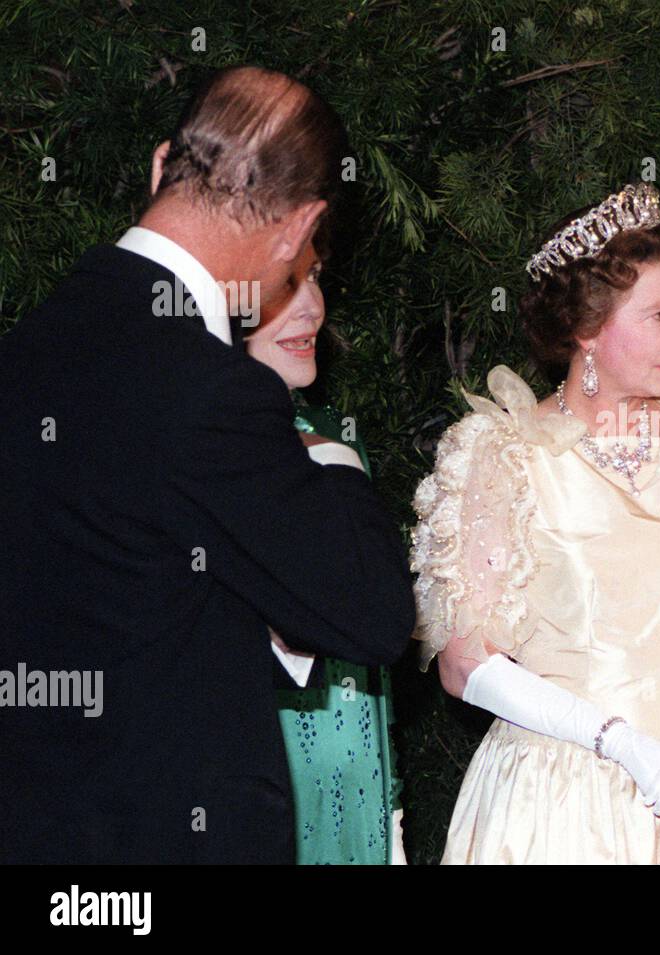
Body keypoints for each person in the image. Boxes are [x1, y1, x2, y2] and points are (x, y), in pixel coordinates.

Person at [0, 66, 415, 864]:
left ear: (161, 165)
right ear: (300, 228)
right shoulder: (213, 390)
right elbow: (373, 611)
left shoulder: (33, 345)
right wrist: (328, 454)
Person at [409, 183, 660, 864]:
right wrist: (618, 740)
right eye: (658, 315)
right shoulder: (503, 457)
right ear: (587, 330)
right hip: (554, 806)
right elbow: (466, 663)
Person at [241, 242, 407, 864]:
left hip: (353, 780)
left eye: (315, 280)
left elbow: (373, 655)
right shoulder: (189, 455)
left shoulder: (334, 444)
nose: (312, 308)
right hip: (263, 786)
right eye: (286, 287)